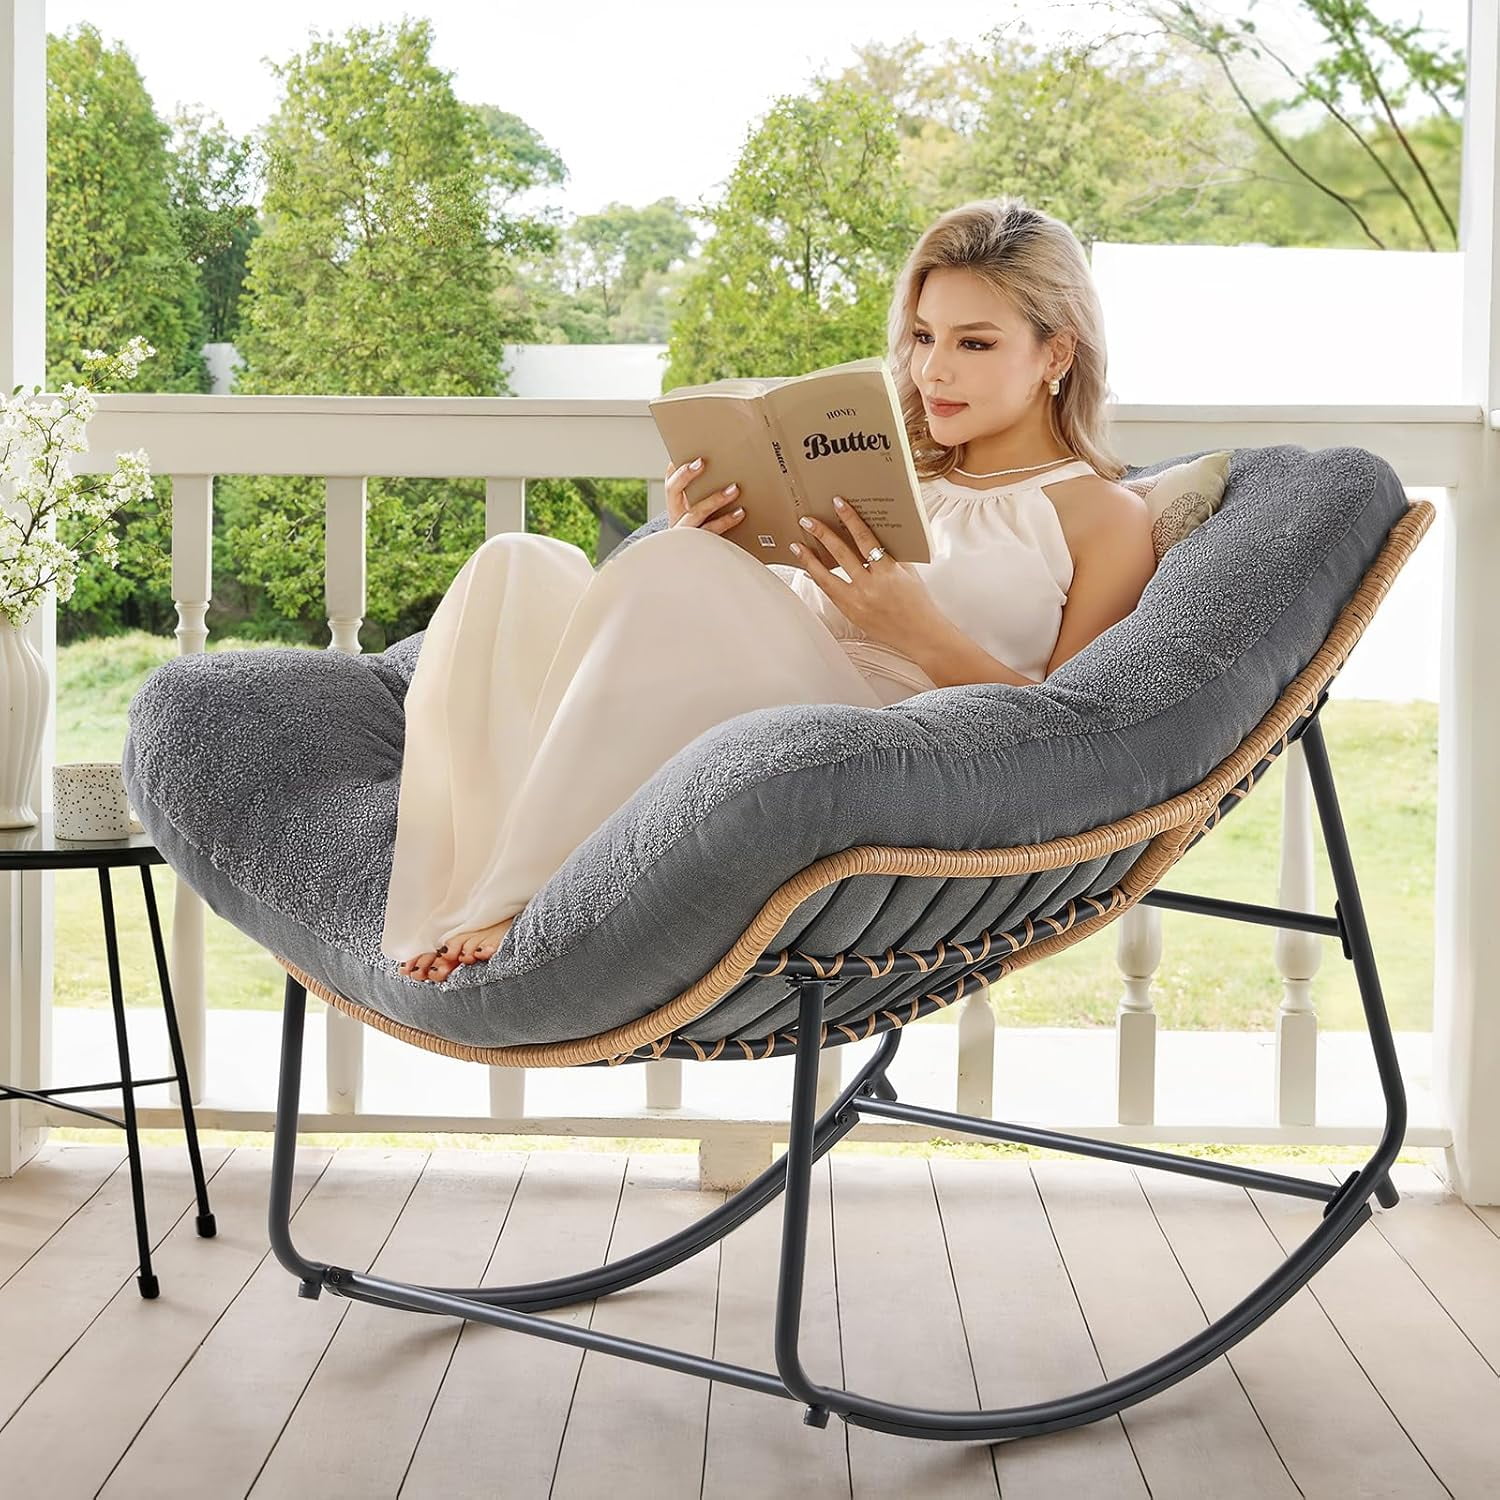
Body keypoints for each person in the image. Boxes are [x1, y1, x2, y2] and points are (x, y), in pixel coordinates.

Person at [383, 195, 1157, 982]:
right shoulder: (884, 472)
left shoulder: (1102, 517)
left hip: (868, 748)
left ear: (1057, 354)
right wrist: (708, 541)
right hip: (756, 708)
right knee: (517, 562)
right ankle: (472, 888)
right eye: (922, 337)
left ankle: (531, 901)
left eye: (975, 343)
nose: (932, 370)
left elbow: (1074, 743)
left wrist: (916, 630)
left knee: (669, 570)